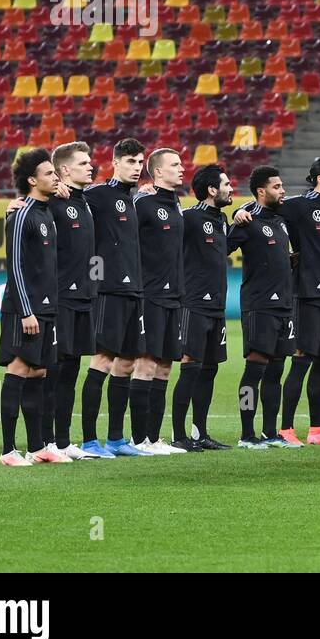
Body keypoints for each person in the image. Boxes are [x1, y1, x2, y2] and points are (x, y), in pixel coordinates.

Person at [235, 157, 320, 446]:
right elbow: (263, 207)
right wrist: (242, 209)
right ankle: (286, 426)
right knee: (300, 361)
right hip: (305, 295)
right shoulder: (300, 205)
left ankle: (318, 428)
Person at [0, 148, 67, 466]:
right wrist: (26, 310)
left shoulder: (46, 211)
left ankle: (37, 446)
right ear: (31, 180)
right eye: (50, 173)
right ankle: (8, 450)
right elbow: (14, 266)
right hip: (23, 308)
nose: (56, 177)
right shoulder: (21, 214)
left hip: (47, 306)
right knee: (19, 368)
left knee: (39, 371)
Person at [82, 138, 150, 456]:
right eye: (131, 162)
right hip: (108, 290)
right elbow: (64, 207)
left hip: (134, 291)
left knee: (126, 364)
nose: (137, 168)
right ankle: (89, 440)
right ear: (115, 162)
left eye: (140, 162)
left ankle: (116, 439)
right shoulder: (96, 195)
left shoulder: (132, 199)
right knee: (103, 361)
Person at [227, 166, 298, 449]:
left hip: (284, 305)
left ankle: (271, 432)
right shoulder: (247, 222)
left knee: (275, 372)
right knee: (254, 370)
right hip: (259, 307)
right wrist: (237, 214)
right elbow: (221, 247)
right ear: (261, 191)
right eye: (277, 187)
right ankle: (247, 434)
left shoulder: (280, 220)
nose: (283, 191)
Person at [131, 148, 187, 453]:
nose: (182, 168)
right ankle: (138, 439)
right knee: (146, 365)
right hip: (151, 294)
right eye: (175, 165)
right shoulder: (143, 202)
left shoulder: (175, 203)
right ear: (157, 172)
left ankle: (153, 438)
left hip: (174, 295)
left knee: (165, 367)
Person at [47, 141, 100, 459]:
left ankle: (64, 441)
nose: (90, 166)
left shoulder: (84, 202)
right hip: (60, 298)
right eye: (83, 163)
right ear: (64, 170)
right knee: (53, 371)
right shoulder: (54, 202)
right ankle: (45, 441)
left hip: (84, 297)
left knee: (70, 372)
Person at [175, 164, 234, 450]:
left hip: (217, 306)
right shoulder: (188, 218)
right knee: (190, 366)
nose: (231, 187)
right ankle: (178, 435)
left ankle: (200, 433)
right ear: (212, 190)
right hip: (193, 304)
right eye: (226, 183)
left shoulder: (222, 219)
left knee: (210, 369)